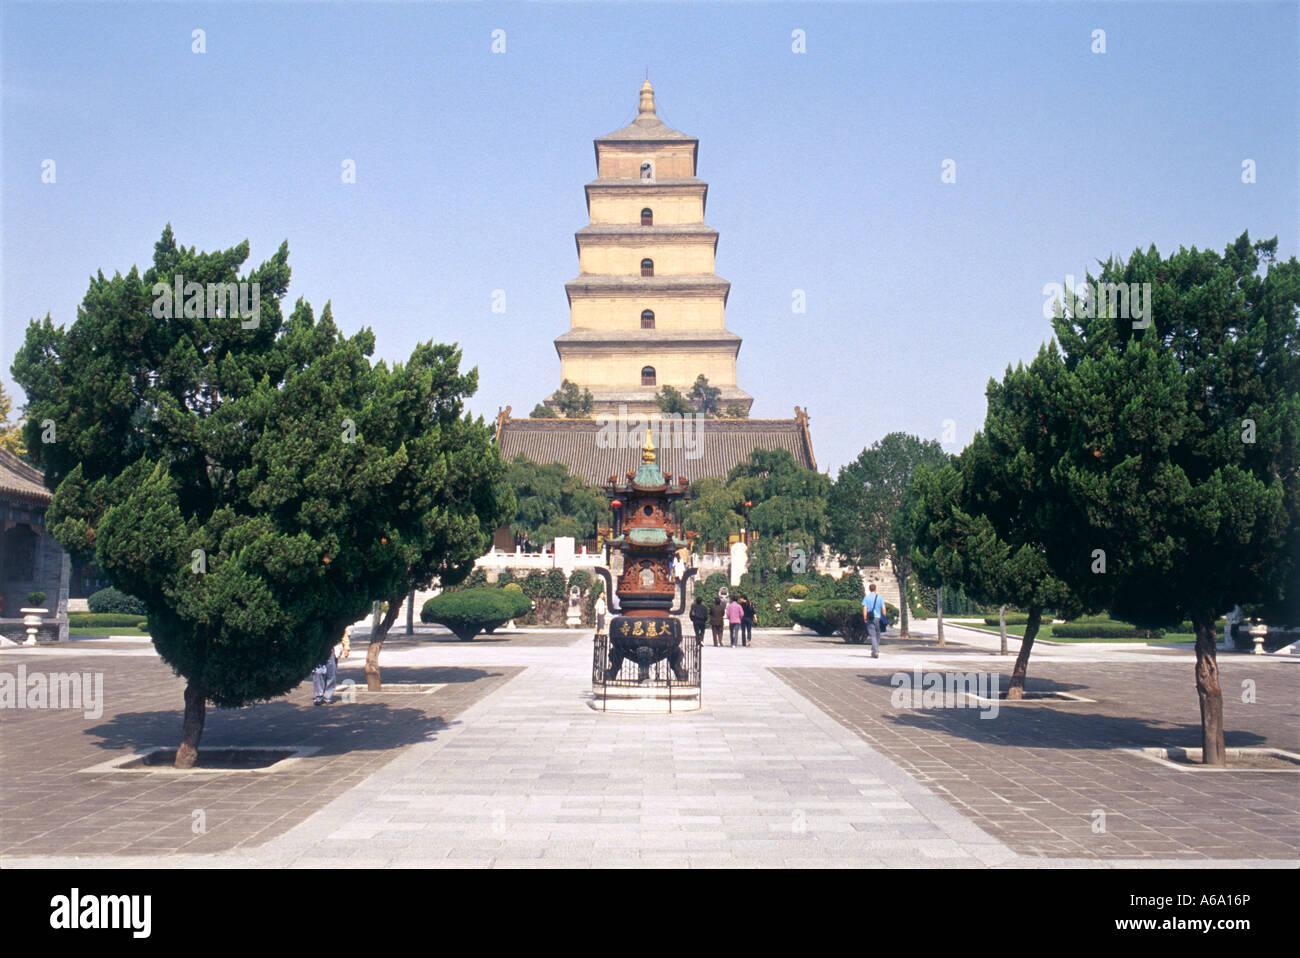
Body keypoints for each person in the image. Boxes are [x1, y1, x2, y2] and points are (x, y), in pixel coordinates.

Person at [314, 625, 351, 705]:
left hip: (332, 649)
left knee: (331, 674)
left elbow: (344, 634)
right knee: (318, 672)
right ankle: (319, 696)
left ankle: (327, 696)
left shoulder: (337, 621)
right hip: (319, 648)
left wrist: (346, 648)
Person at [861, 584, 884, 658]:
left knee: (873, 635)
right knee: (878, 634)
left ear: (869, 589)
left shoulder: (866, 597)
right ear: (875, 589)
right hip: (878, 618)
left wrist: (864, 617)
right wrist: (884, 617)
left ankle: (875, 650)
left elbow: (865, 608)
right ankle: (875, 648)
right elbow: (883, 608)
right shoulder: (879, 597)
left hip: (870, 617)